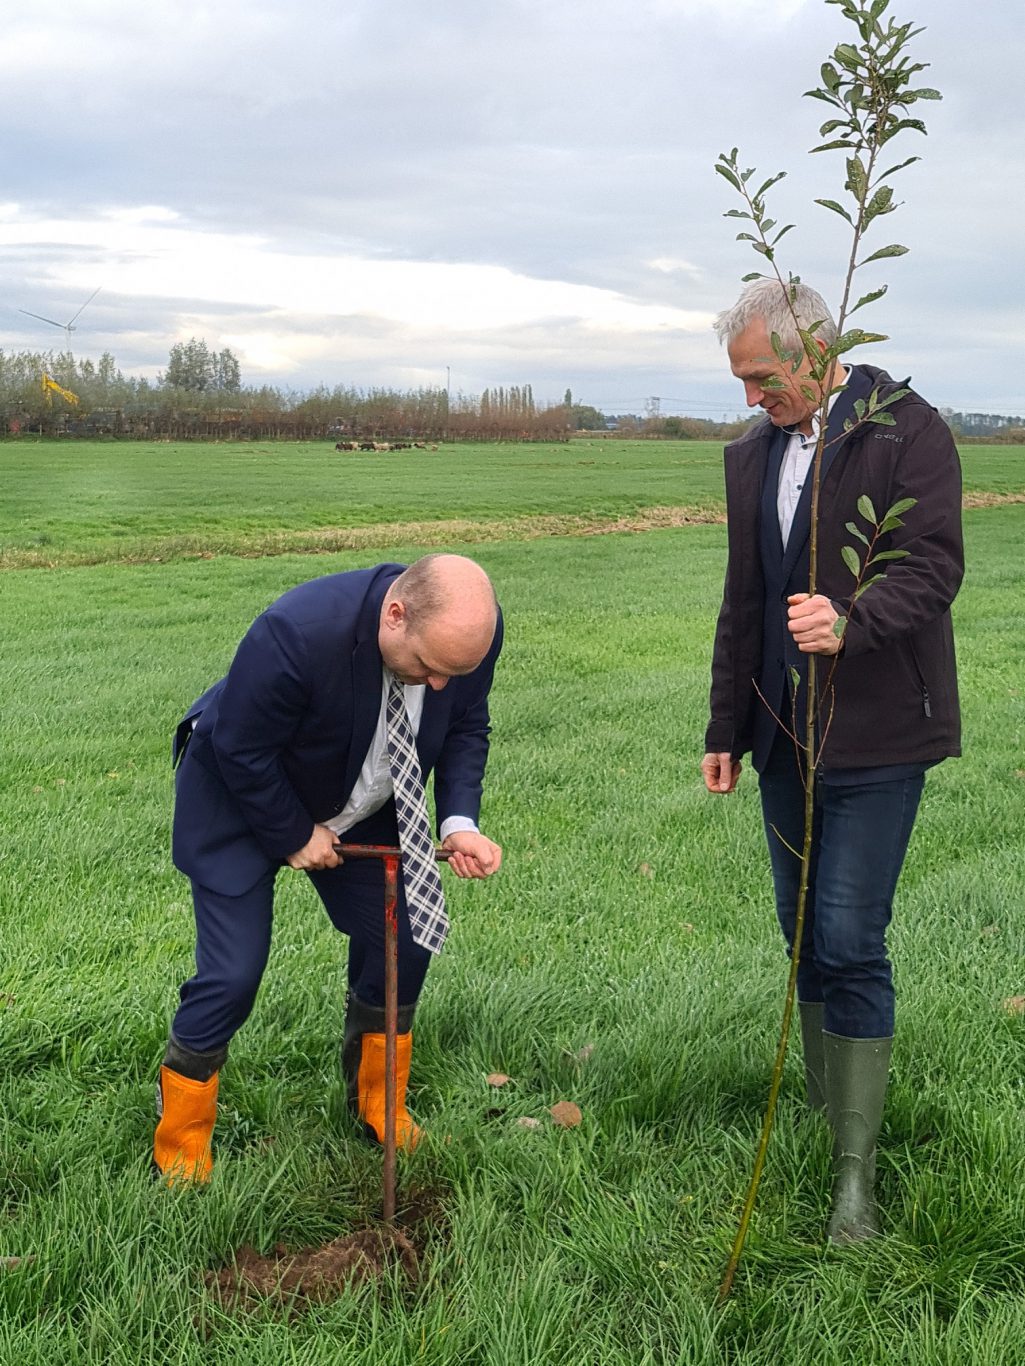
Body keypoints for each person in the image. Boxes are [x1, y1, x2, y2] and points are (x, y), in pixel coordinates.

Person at [701, 278, 963, 1242]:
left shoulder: (906, 429)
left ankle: (854, 1177)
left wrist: (851, 622)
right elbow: (744, 600)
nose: (749, 399)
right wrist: (725, 728)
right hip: (779, 734)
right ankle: (827, 1114)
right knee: (801, 932)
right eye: (740, 381)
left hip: (877, 730)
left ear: (818, 352)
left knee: (849, 938)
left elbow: (934, 565)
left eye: (763, 378)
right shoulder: (748, 454)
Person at [155, 553, 503, 1182]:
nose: (441, 684)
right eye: (428, 667)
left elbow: (465, 727)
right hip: (240, 796)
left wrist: (459, 823)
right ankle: (180, 1150)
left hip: (363, 801)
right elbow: (240, 746)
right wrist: (293, 833)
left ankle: (377, 1105)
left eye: (456, 671)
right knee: (233, 973)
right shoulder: (297, 631)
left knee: (405, 937)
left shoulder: (467, 634)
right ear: (394, 615)